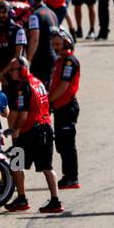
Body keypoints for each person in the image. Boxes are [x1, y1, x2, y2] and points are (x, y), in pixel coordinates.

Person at [2, 56, 63, 214]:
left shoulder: (24, 87)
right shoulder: (38, 82)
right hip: (45, 129)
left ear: (22, 69)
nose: (11, 72)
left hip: (31, 132)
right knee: (47, 167)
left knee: (16, 163)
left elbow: (22, 116)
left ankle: (22, 199)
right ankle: (55, 201)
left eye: (14, 69)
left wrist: (13, 130)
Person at [49, 31, 80, 189]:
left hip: (67, 106)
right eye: (53, 44)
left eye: (58, 44)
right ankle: (67, 175)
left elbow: (64, 86)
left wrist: (49, 99)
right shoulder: (59, 61)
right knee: (61, 143)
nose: (55, 47)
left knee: (67, 143)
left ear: (66, 43)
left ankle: (72, 177)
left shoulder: (69, 61)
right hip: (59, 107)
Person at [25, 0, 58, 86]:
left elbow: (34, 39)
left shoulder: (34, 16)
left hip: (41, 59)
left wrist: (28, 60)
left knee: (38, 90)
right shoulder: (52, 13)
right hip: (54, 57)